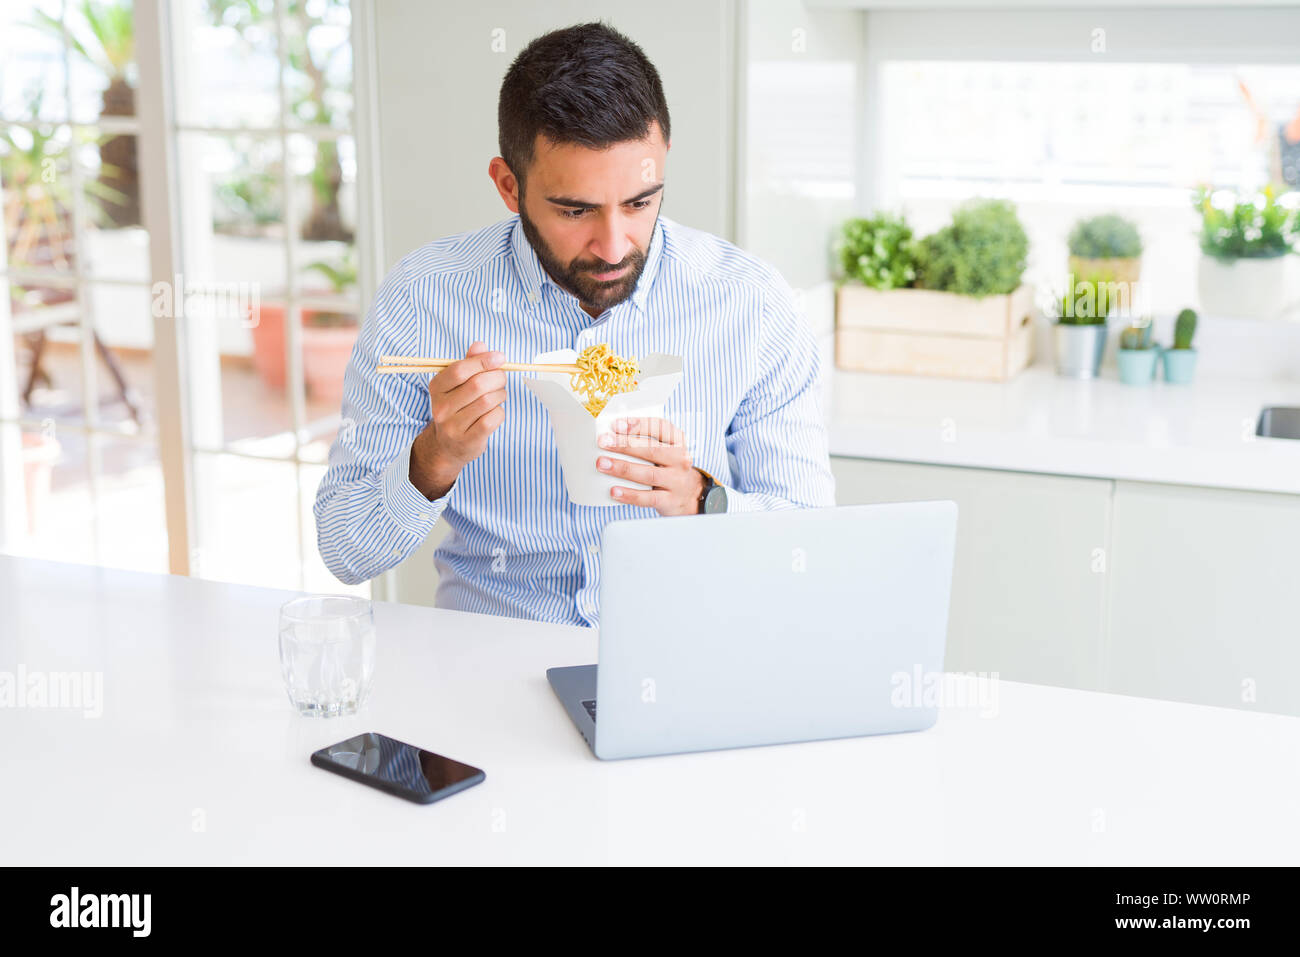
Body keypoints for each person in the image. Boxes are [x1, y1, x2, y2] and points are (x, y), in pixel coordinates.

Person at [314, 22, 835, 627]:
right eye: (575, 210)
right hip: (490, 656)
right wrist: (434, 459)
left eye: (640, 202)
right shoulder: (425, 297)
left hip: (685, 652)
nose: (614, 247)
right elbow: (345, 550)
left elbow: (810, 549)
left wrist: (701, 500)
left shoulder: (753, 304)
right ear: (510, 186)